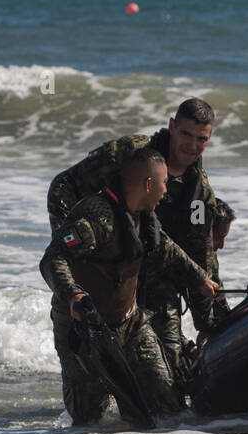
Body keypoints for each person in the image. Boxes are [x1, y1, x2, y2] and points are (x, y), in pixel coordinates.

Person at [40, 147, 219, 425]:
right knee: (90, 422)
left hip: (130, 324)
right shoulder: (99, 219)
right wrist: (73, 295)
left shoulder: (144, 216)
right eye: (163, 183)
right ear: (148, 184)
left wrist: (200, 280)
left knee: (168, 407)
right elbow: (53, 258)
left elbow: (168, 249)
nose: (166, 191)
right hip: (85, 329)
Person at [48, 97, 224, 377]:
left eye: (201, 139)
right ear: (172, 127)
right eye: (185, 134)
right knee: (95, 369)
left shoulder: (199, 195)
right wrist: (72, 248)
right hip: (110, 268)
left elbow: (201, 258)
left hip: (157, 276)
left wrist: (209, 324)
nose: (192, 145)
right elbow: (64, 185)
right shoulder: (129, 154)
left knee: (169, 370)